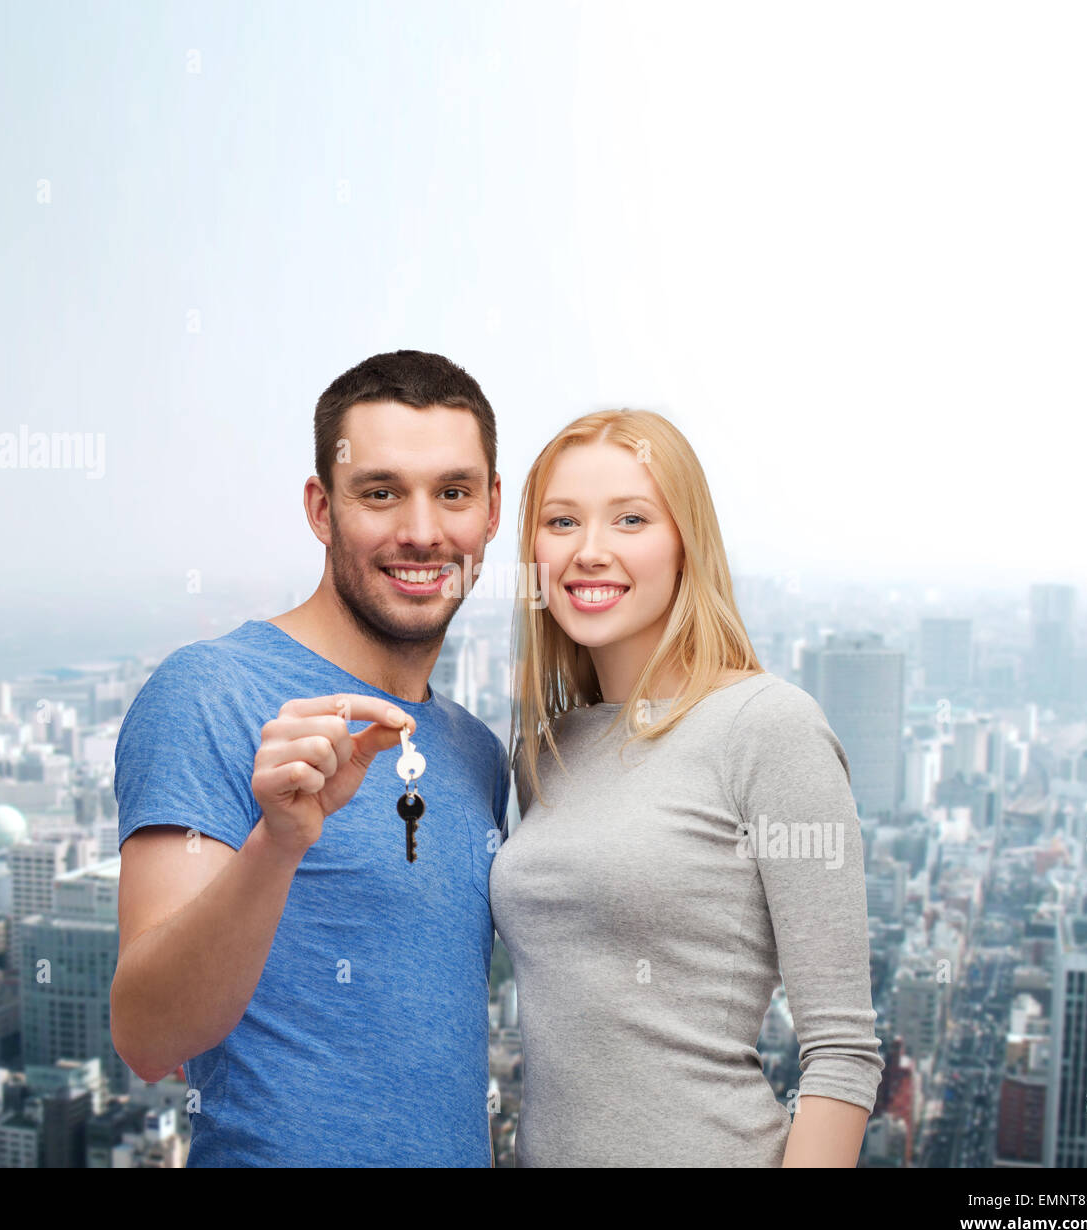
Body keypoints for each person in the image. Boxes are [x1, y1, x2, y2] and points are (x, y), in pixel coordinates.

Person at [111, 349, 510, 1167]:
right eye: (381, 492)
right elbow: (148, 1035)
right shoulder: (210, 692)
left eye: (454, 493)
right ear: (321, 510)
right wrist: (279, 841)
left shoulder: (478, 751)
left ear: (492, 511)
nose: (423, 531)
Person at [488, 408, 885, 1167]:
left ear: (684, 544)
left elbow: (842, 1049)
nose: (590, 551)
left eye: (630, 518)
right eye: (562, 521)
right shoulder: (548, 750)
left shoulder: (769, 727)